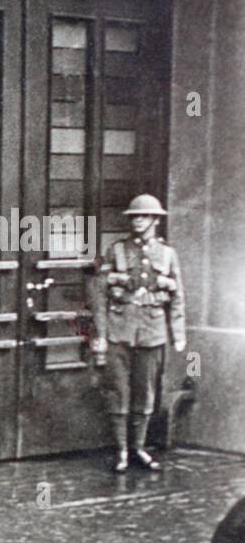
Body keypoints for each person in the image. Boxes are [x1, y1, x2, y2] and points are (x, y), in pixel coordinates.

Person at [88, 194, 186, 473]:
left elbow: (178, 295)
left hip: (152, 332)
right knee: (118, 392)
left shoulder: (167, 254)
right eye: (134, 216)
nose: (138, 221)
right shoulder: (116, 250)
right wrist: (102, 334)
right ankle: (120, 449)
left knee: (146, 394)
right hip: (120, 331)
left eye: (144, 216)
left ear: (155, 219)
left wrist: (178, 332)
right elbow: (100, 296)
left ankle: (138, 449)